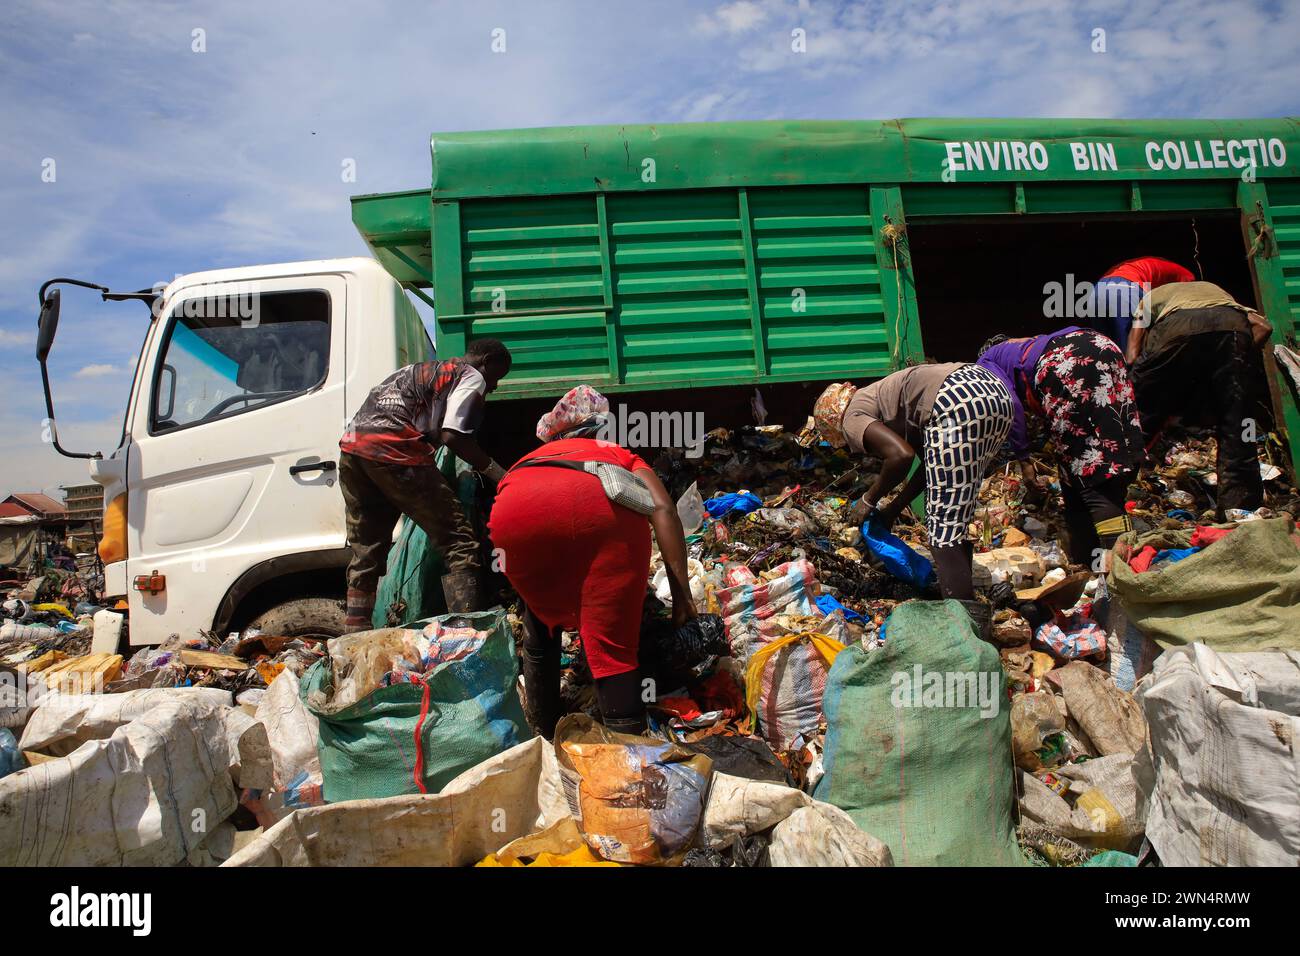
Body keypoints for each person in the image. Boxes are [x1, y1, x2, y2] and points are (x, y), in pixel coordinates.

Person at [488, 385, 698, 738]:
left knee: (539, 616)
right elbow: (662, 508)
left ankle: (542, 725)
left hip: (513, 511)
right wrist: (682, 596)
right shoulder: (615, 453)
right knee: (611, 645)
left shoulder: (533, 456)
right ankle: (625, 740)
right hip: (597, 516)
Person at [813, 363, 1013, 632]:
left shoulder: (851, 415)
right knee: (955, 520)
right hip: (992, 395)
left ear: (832, 423)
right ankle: (968, 611)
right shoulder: (884, 400)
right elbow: (928, 467)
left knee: (943, 531)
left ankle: (966, 631)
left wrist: (869, 500)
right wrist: (893, 509)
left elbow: (901, 456)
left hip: (955, 401)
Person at [337, 339, 513, 631]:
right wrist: (499, 474)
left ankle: (356, 635)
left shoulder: (418, 369)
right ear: (486, 361)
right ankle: (468, 634)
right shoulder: (470, 376)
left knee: (367, 548)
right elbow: (454, 436)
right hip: (395, 451)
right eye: (496, 377)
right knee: (458, 538)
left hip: (354, 451)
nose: (493, 386)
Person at [977, 327, 1146, 568]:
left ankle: (1114, 570)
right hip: (1103, 345)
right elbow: (1074, 330)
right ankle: (1089, 562)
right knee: (1110, 450)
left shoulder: (986, 361)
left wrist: (1024, 460)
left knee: (1090, 475)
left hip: (1068, 365)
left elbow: (1010, 404)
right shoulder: (1031, 342)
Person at [1128, 281, 1274, 518]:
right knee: (1238, 426)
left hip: (1177, 328)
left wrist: (1150, 386)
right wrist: (1238, 362)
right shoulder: (1219, 293)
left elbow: (1132, 356)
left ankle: (1110, 493)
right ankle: (1239, 510)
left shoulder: (1151, 299)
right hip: (1232, 327)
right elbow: (1263, 327)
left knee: (1137, 419)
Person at [1091, 256, 1194, 358]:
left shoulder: (1143, 265)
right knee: (1132, 349)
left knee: (1103, 349)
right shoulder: (1188, 277)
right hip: (1126, 287)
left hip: (1098, 289)